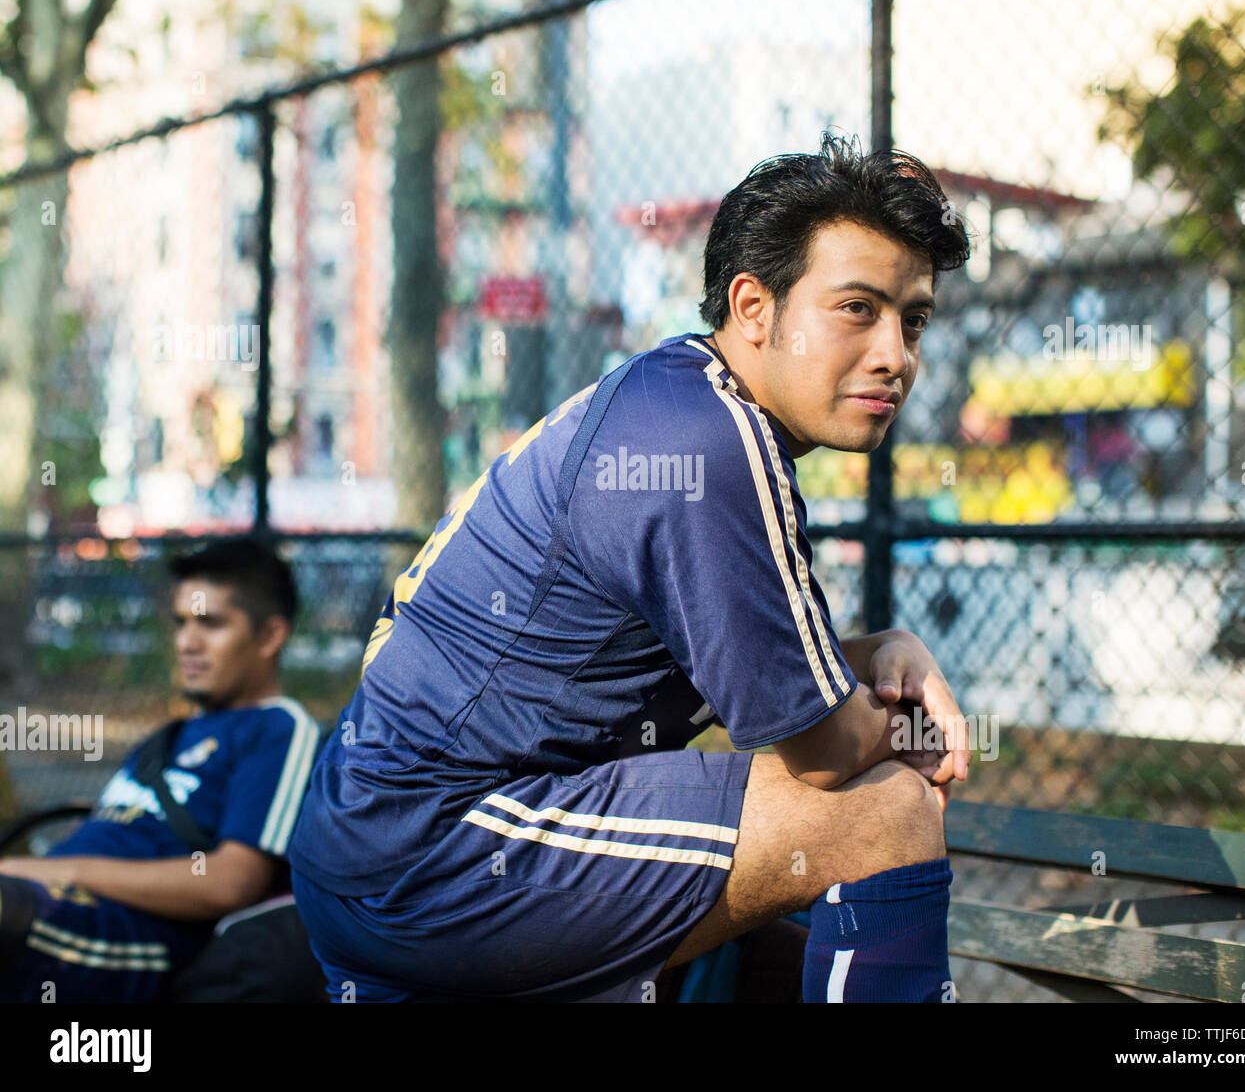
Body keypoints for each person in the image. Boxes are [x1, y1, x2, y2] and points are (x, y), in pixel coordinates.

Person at [289, 132, 975, 1003]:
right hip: (432, 858)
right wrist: (915, 734)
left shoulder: (670, 400)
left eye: (911, 319)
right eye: (856, 308)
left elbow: (772, 681)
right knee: (885, 813)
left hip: (378, 845)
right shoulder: (710, 444)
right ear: (753, 307)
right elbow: (825, 749)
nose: (894, 354)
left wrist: (877, 649)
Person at [0, 538, 320, 1001]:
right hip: (49, 906)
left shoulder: (279, 729)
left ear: (270, 636)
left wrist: (58, 872)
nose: (187, 642)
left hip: (123, 938)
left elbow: (231, 882)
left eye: (210, 623)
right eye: (181, 622)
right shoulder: (163, 741)